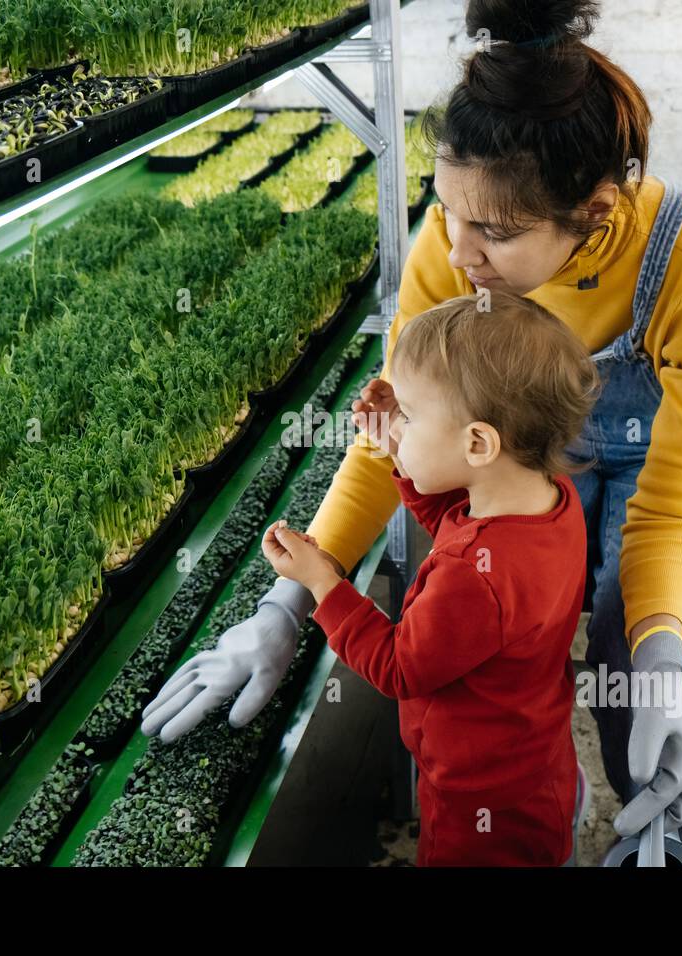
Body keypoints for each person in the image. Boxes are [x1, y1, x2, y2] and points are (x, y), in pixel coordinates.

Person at [142, 0, 682, 857]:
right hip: (534, 451)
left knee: (627, 658)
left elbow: (670, 504)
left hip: (678, 453)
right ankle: (546, 795)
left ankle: (657, 819)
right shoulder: (453, 250)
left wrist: (660, 666)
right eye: (446, 208)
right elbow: (397, 440)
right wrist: (286, 606)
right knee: (512, 625)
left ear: (592, 212)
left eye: (498, 231)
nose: (460, 250)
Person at [260, 291, 598, 865]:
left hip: (476, 808)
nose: (401, 424)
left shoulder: (474, 579)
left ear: (478, 443)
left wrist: (324, 584)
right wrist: (401, 451)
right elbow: (456, 524)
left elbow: (399, 665)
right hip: (533, 763)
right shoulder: (549, 499)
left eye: (411, 417)